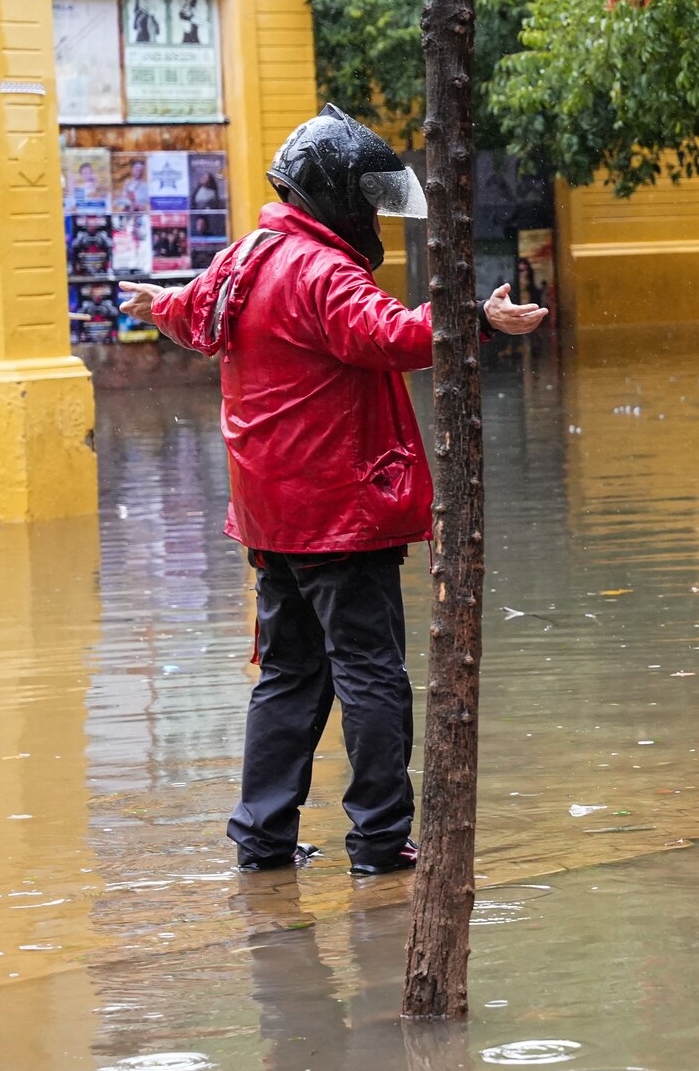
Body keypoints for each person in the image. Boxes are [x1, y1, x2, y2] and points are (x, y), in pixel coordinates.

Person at [121, 106, 547, 875]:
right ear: (336, 197)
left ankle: (263, 840)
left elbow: (191, 314)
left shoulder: (247, 255)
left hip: (270, 521)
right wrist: (477, 320)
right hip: (340, 515)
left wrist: (159, 303)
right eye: (364, 199)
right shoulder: (322, 271)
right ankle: (382, 843)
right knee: (371, 675)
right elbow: (391, 336)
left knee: (290, 674)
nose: (370, 214)